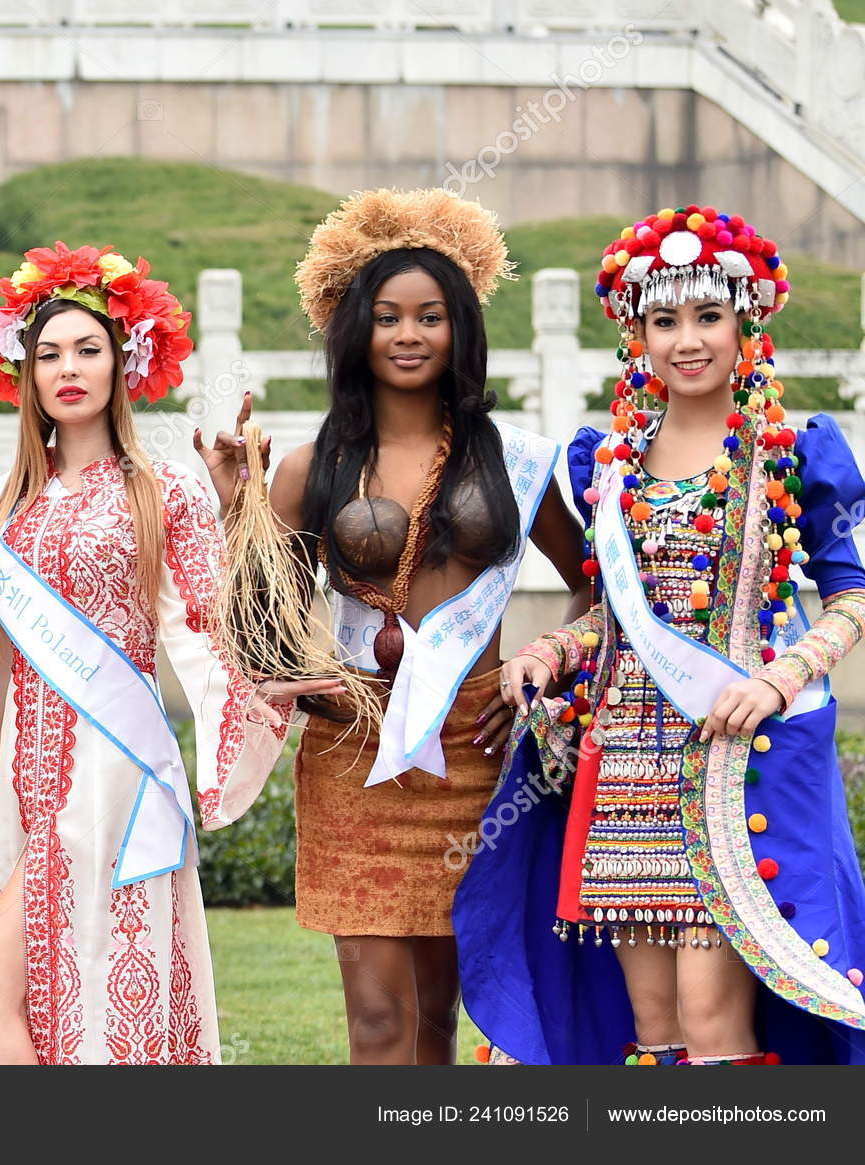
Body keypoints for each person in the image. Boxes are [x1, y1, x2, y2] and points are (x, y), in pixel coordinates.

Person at [0, 241, 344, 1064]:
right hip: (22, 776)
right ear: (25, 373)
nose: (68, 368)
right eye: (48, 354)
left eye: (88, 349)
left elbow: (209, 623)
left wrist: (241, 523)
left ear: (122, 362)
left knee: (22, 988)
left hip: (114, 770)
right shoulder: (0, 507)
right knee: (36, 999)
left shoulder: (161, 489)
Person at [458, 204, 865, 1065]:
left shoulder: (790, 452)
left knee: (714, 1022)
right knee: (656, 1031)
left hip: (735, 757)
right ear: (636, 333)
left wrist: (780, 678)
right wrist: (546, 652)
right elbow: (613, 617)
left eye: (707, 316)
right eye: (665, 319)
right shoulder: (609, 462)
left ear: (744, 321)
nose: (688, 339)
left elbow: (851, 596)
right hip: (626, 771)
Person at [196, 189, 587, 1063]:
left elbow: (597, 584)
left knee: (441, 1018)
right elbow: (257, 631)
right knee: (377, 1021)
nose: (409, 335)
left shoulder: (512, 457)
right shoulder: (310, 463)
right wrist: (239, 511)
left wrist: (546, 657)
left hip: (476, 748)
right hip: (356, 752)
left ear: (461, 330)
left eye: (431, 316)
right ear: (356, 332)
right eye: (387, 317)